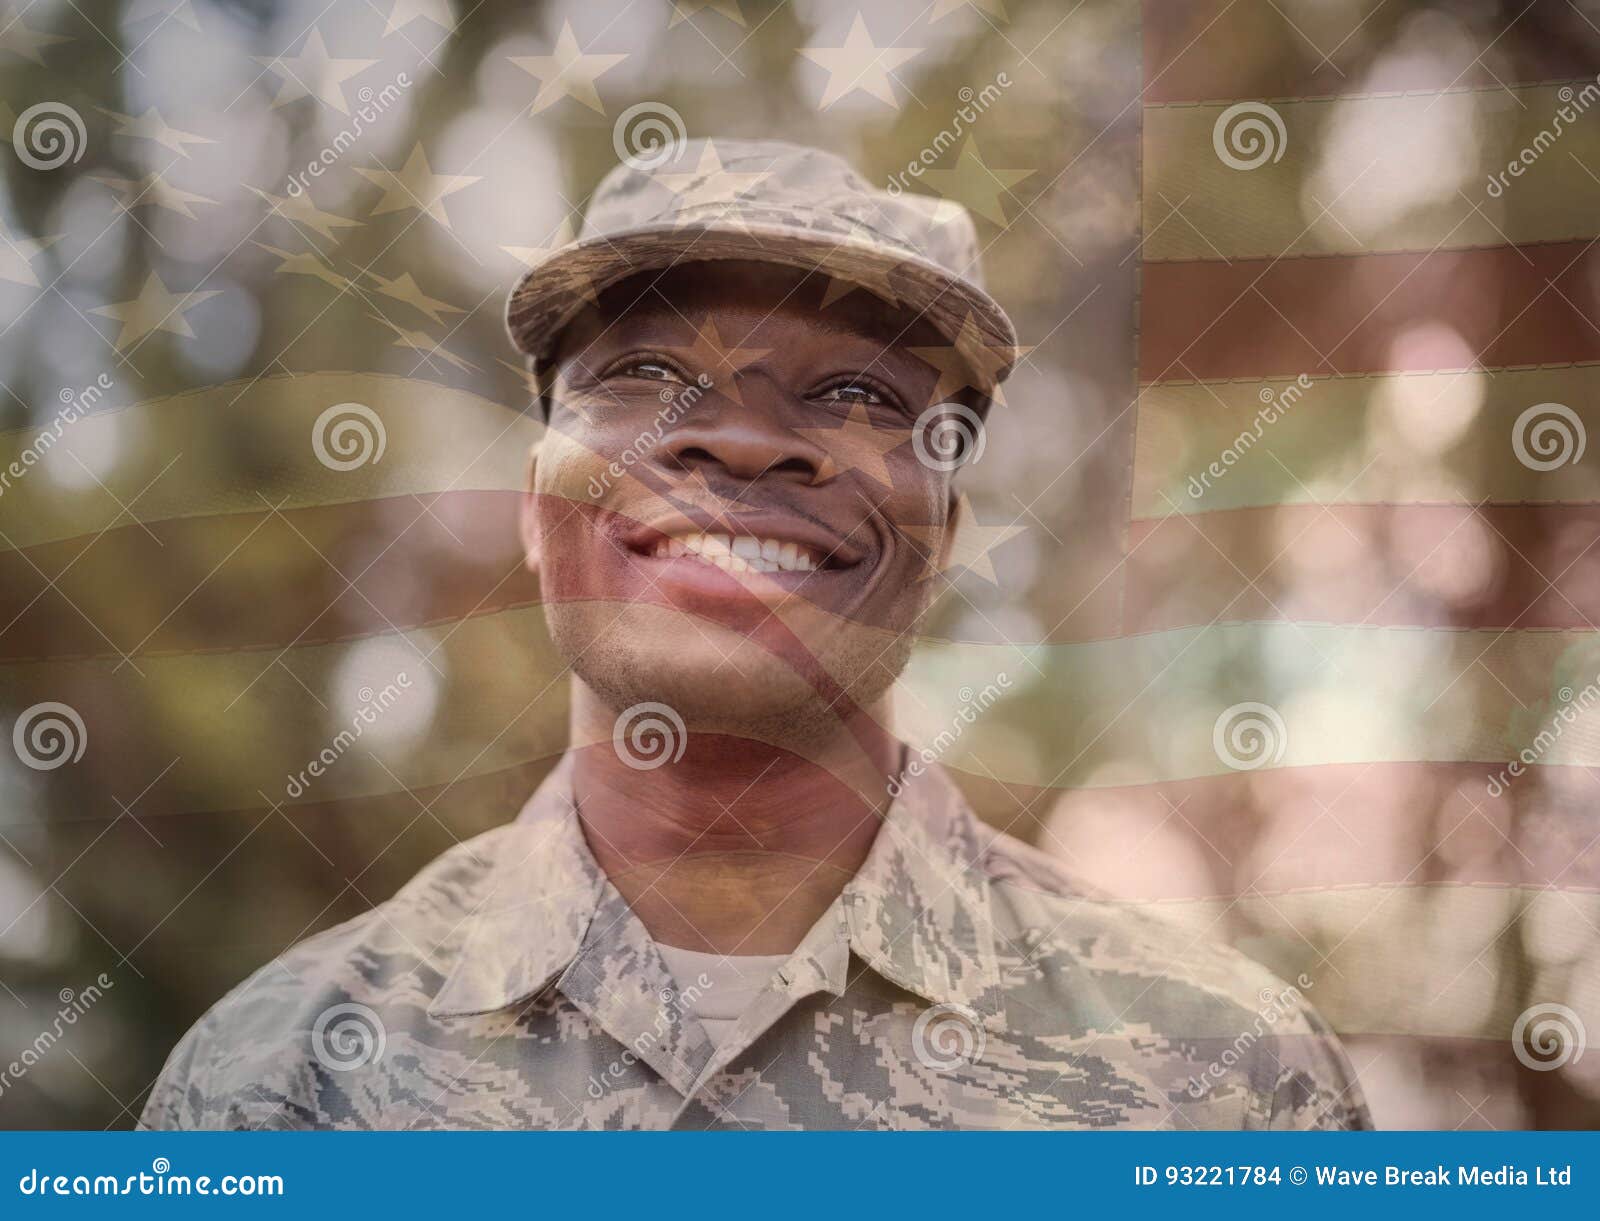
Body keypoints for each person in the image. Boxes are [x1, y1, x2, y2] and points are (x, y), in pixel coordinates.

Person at [141, 139, 1371, 1130]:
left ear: (941, 533)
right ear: (536, 508)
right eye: (643, 376)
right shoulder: (282, 1090)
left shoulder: (1222, 1088)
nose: (738, 439)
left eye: (856, 396)